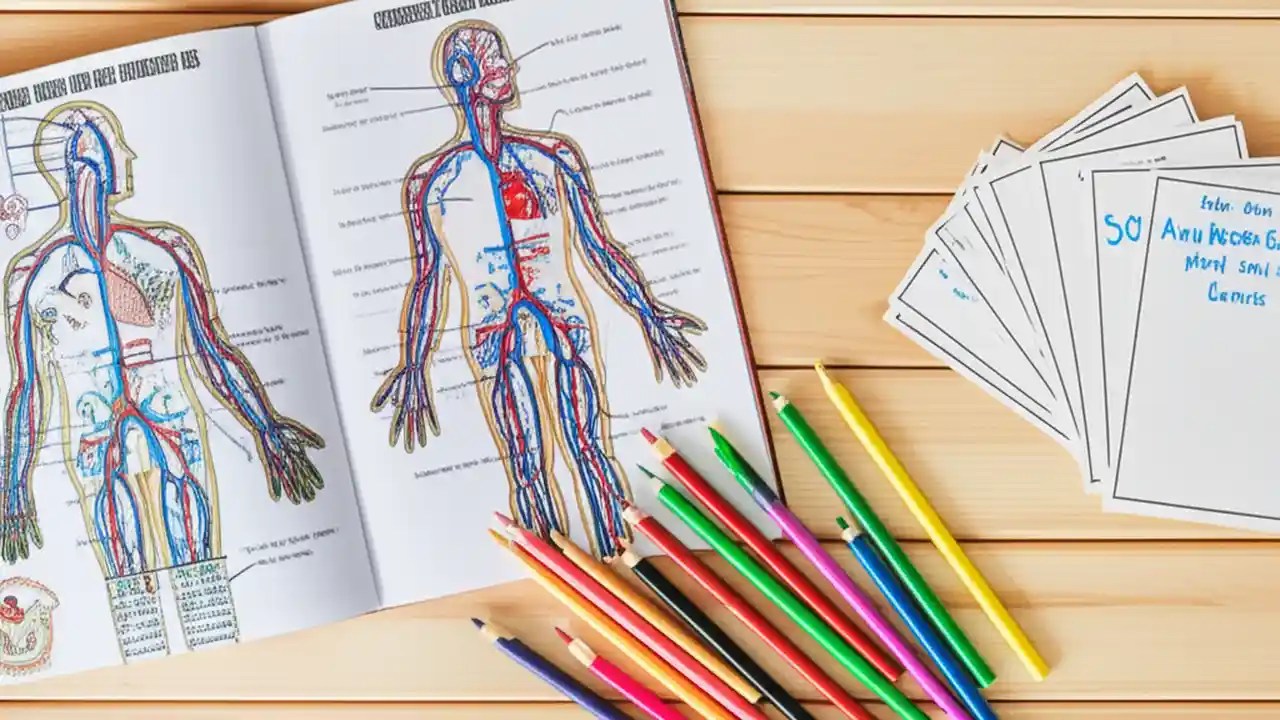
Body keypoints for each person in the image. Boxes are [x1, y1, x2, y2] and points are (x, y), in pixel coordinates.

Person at [0, 101, 324, 659]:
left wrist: (266, 427)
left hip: (169, 419)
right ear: (87, 165)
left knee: (198, 561)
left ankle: (222, 660)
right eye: (113, 145)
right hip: (99, 435)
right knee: (127, 576)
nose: (129, 153)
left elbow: (212, 350)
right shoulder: (34, 276)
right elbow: (27, 390)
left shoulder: (163, 250)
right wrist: (13, 481)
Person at [373, 21, 706, 556]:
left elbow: (599, 248)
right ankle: (560, 569)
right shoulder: (433, 179)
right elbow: (428, 278)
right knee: (526, 463)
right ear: (465, 75)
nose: (511, 69)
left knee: (589, 447)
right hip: (490, 321)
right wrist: (414, 364)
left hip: (561, 310)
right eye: (496, 60)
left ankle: (626, 558)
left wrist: (648, 313)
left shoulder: (554, 155)